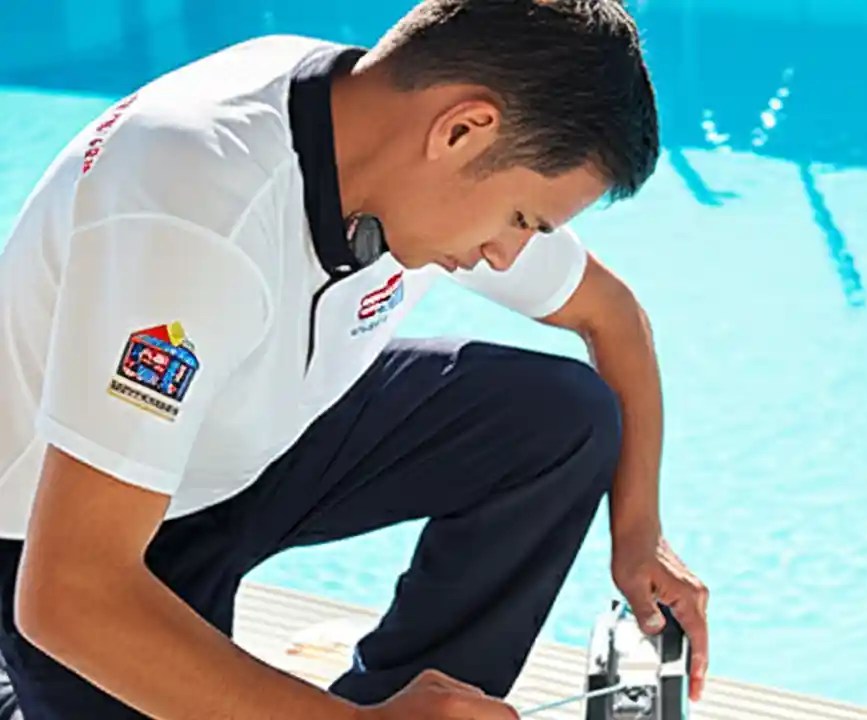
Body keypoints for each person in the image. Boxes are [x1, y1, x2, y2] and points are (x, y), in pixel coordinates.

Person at [0, 1, 711, 718]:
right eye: (522, 219)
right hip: (75, 524)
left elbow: (612, 317)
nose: (508, 251)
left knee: (562, 418)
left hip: (256, 438)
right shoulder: (192, 207)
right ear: (463, 130)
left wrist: (638, 533)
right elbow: (67, 596)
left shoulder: (386, 130)